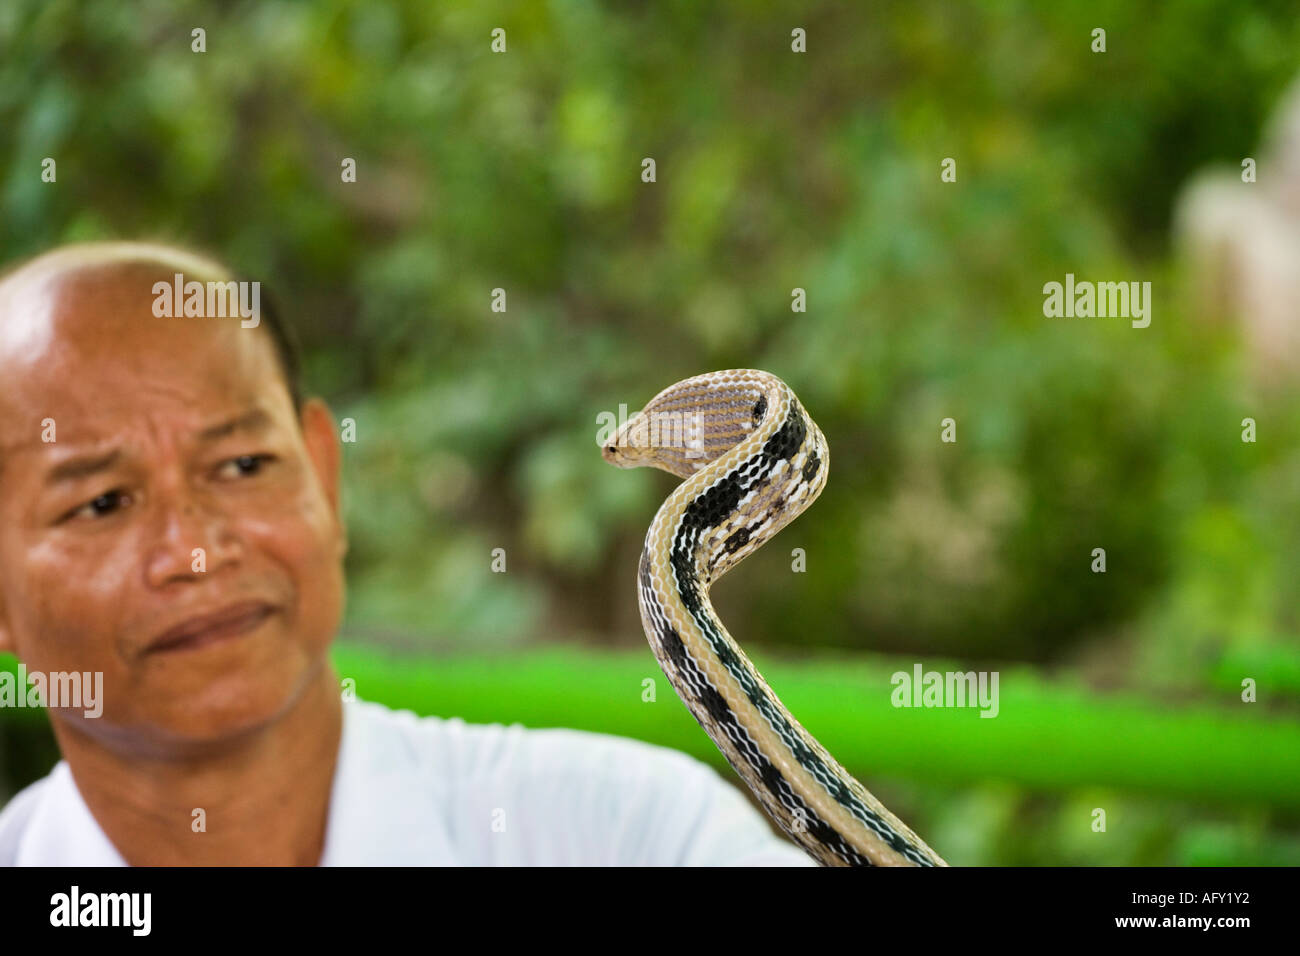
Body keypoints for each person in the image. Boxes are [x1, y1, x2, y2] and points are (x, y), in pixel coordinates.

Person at [0, 241, 815, 866]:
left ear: (322, 472)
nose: (195, 552)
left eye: (243, 466)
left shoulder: (632, 836)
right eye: (101, 502)